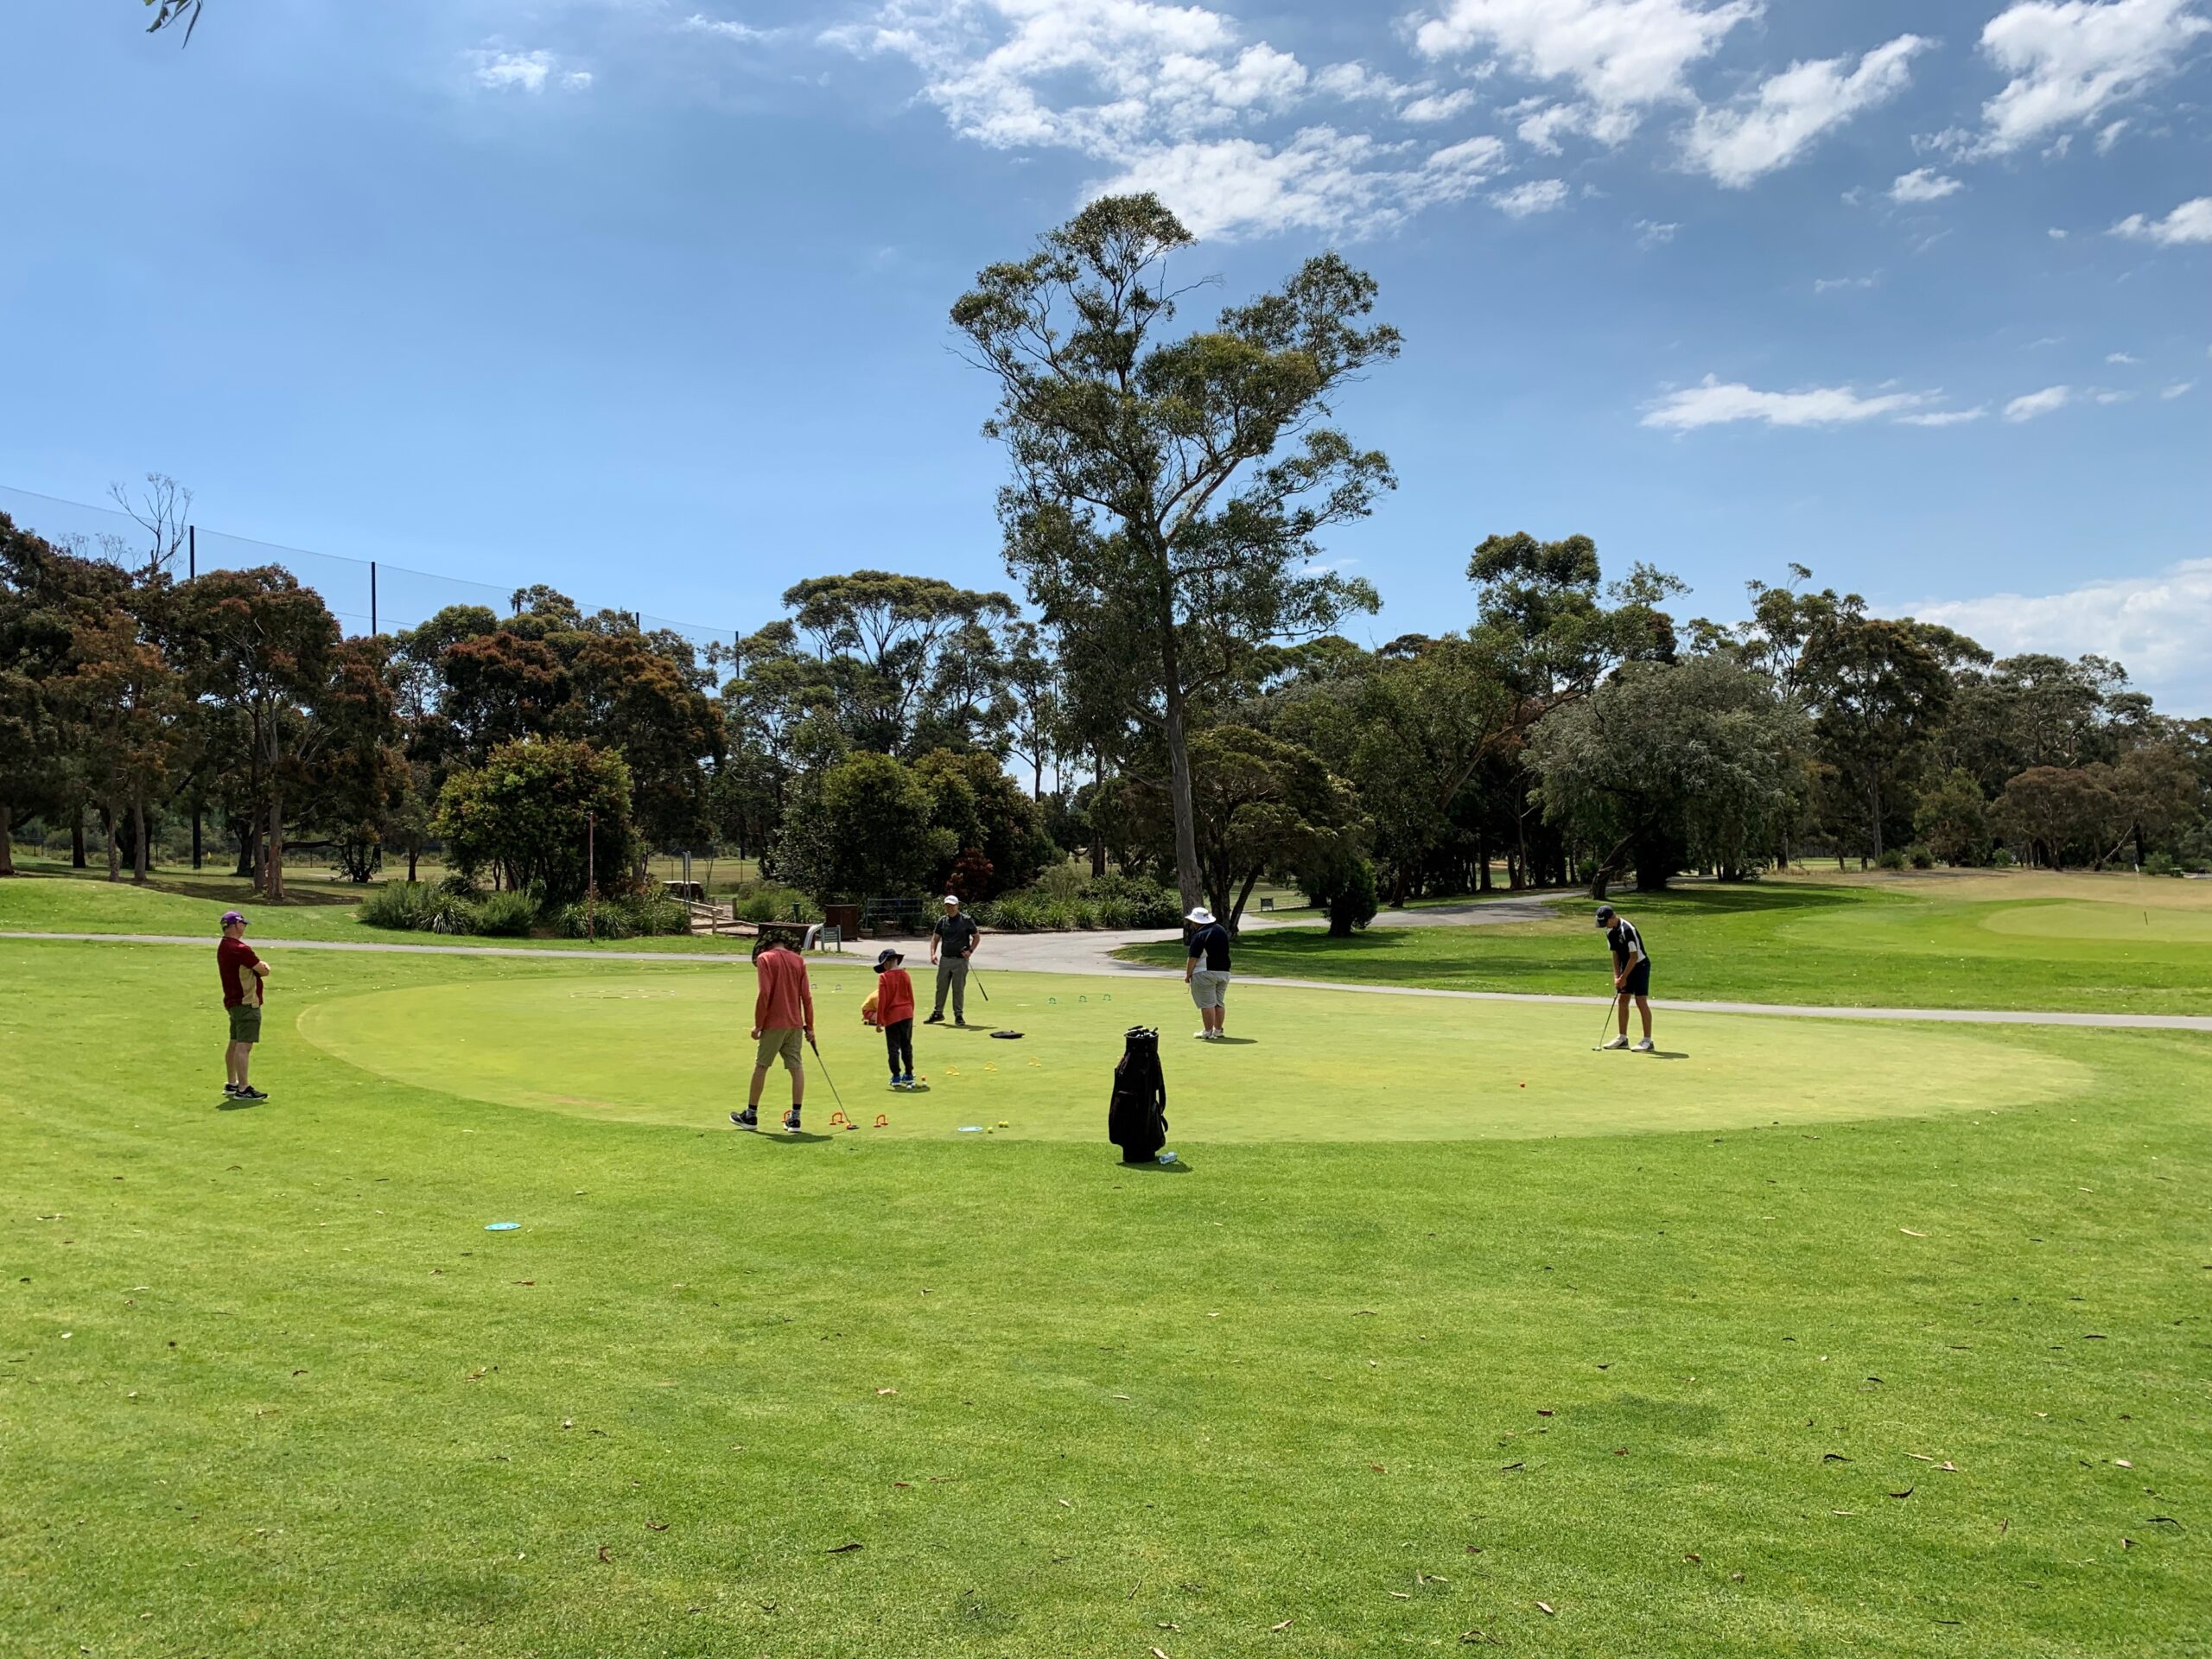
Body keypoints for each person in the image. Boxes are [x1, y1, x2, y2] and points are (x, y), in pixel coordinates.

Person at [733, 935, 814, 1132]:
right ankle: (795, 1118)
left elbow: (764, 993)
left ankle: (750, 1115)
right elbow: (806, 996)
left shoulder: (765, 958)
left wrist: (758, 1025)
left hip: (774, 1024)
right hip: (795, 1024)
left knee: (761, 1066)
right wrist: (810, 1026)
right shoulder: (798, 960)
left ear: (767, 945)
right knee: (796, 1068)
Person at [217, 909, 271, 1101]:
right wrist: (265, 966)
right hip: (246, 1002)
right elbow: (263, 971)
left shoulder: (224, 946)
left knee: (234, 1042)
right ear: (236, 925)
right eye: (243, 924)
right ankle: (243, 1088)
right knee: (244, 1046)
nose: (244, 927)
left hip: (233, 1001)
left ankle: (232, 1083)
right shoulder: (240, 949)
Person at [1595, 903, 1654, 1052]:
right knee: (1622, 1000)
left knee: (1641, 1001)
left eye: (1605, 922)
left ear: (1613, 917)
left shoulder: (1627, 930)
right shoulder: (1609, 931)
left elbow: (1634, 957)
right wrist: (1617, 977)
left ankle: (1648, 1041)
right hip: (1625, 965)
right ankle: (1622, 1039)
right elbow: (1615, 954)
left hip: (1640, 966)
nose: (1604, 926)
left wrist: (1624, 977)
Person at [925, 894, 981, 1027]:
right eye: (947, 906)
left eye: (952, 906)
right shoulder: (942, 921)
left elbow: (976, 937)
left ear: (957, 906)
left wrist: (970, 951)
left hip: (960, 960)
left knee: (958, 989)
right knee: (941, 987)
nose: (950, 908)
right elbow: (935, 938)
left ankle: (958, 1015)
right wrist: (933, 954)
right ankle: (938, 1013)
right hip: (945, 959)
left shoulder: (966, 920)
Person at [869, 947, 918, 1089]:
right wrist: (911, 1013)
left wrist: (879, 1022)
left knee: (893, 1048)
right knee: (907, 1045)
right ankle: (909, 1073)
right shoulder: (906, 975)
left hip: (892, 1017)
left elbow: (882, 1001)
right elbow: (911, 997)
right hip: (907, 1014)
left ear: (887, 963)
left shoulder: (884, 977)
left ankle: (896, 1075)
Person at [1184, 906, 1232, 1041]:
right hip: (1224, 972)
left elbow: (1193, 958)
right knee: (1218, 1002)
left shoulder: (1200, 935)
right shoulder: (1221, 930)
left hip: (1205, 972)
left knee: (1207, 1003)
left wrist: (1188, 974)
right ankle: (1218, 1030)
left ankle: (1208, 1031)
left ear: (1197, 922)